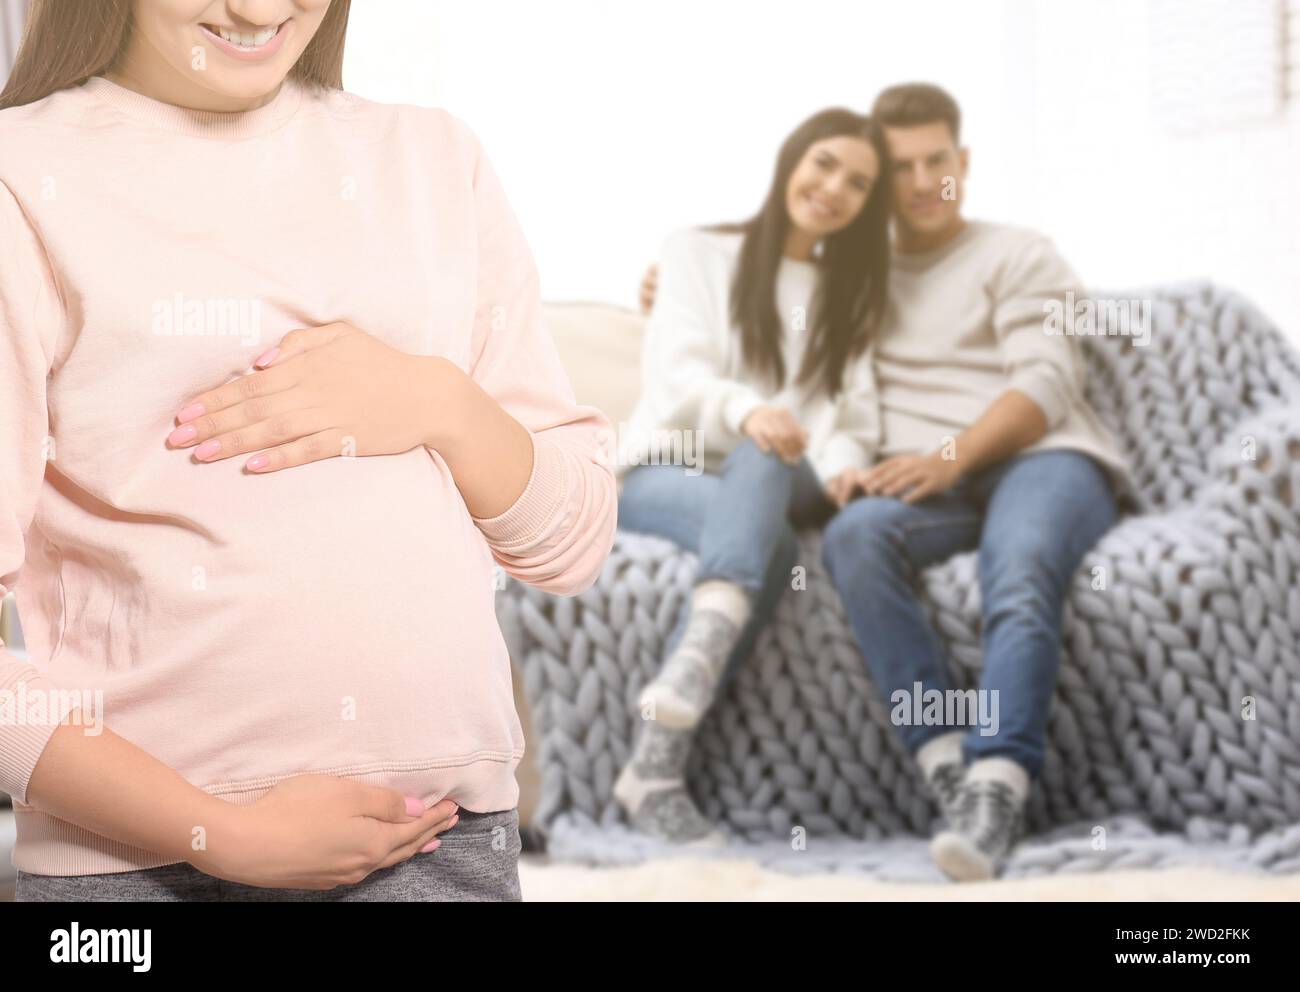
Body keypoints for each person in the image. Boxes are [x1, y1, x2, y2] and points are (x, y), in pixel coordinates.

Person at [0, 0, 616, 901]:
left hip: (437, 842)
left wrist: (435, 399)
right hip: (141, 864)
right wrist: (222, 833)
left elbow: (574, 540)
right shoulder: (24, 174)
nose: (256, 8)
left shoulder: (437, 161)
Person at [639, 84, 1127, 880]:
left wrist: (949, 455)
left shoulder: (1018, 252)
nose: (923, 180)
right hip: (922, 484)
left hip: (1043, 462)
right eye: (899, 168)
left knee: (1023, 565)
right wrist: (664, 297)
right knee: (856, 536)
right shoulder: (852, 276)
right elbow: (778, 347)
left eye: (939, 160)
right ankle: (946, 770)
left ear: (962, 164)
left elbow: (1046, 385)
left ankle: (999, 781)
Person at [614, 108, 892, 845]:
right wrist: (746, 411)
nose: (835, 187)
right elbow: (676, 379)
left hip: (788, 470)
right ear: (792, 160)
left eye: (858, 183)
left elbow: (851, 417)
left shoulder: (853, 293)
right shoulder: (695, 253)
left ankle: (691, 668)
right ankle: (654, 770)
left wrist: (839, 470)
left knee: (766, 461)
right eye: (825, 163)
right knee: (765, 545)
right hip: (668, 466)